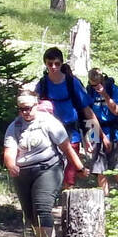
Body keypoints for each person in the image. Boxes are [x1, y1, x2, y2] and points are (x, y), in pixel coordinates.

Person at [3, 90, 89, 237]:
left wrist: (79, 168)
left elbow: (66, 147)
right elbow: (9, 150)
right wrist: (11, 164)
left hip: (48, 168)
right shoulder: (15, 126)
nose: (25, 112)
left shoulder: (49, 122)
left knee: (42, 207)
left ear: (36, 106)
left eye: (28, 108)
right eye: (21, 109)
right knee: (30, 213)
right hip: (23, 172)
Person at [34, 47, 97, 189]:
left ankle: (67, 199)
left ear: (62, 63)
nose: (53, 67)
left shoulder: (72, 82)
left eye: (56, 63)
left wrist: (95, 137)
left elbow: (87, 110)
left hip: (71, 132)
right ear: (45, 64)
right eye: (50, 64)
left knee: (70, 170)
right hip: (49, 133)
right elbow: (32, 107)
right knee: (51, 167)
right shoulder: (42, 84)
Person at [86, 67, 118, 194]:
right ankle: (104, 196)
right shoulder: (88, 91)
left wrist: (104, 94)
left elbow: (115, 110)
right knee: (98, 167)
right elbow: (86, 113)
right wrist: (87, 137)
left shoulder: (113, 89)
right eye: (93, 85)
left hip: (112, 129)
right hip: (93, 128)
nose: (96, 87)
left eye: (98, 84)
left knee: (116, 166)